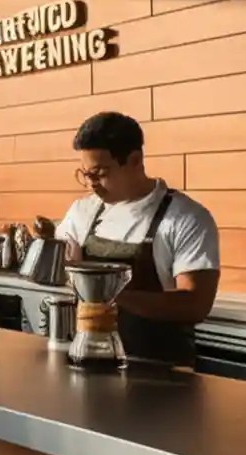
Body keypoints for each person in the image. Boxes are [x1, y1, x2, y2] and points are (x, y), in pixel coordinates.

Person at [55, 111, 220, 365]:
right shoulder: (82, 212)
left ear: (135, 160)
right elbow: (60, 271)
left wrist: (108, 295)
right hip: (89, 360)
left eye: (100, 173)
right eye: (86, 174)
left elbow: (195, 303)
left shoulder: (185, 218)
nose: (92, 184)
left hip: (161, 373)